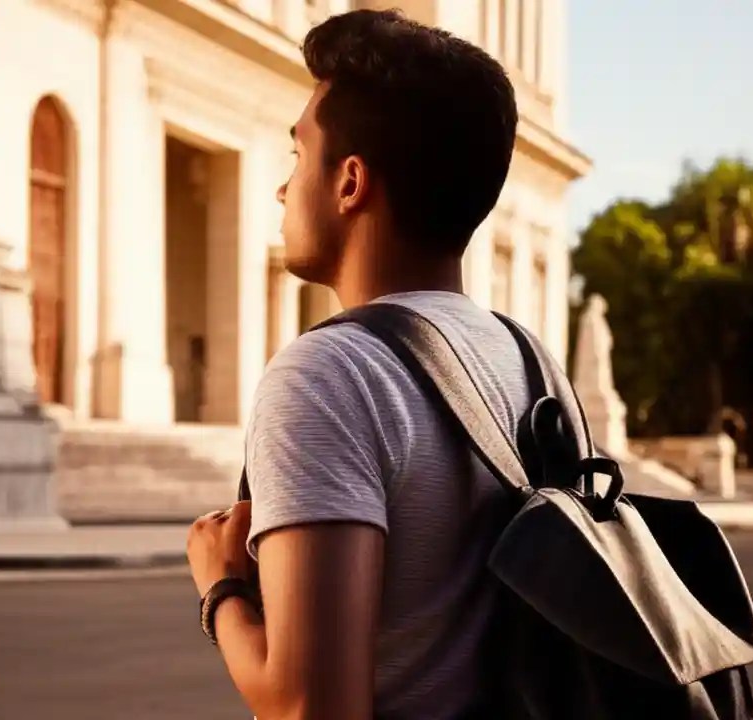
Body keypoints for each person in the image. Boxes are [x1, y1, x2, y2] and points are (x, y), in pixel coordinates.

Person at [186, 9, 527, 720]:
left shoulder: (329, 376)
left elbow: (313, 706)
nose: (283, 190)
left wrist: (218, 587)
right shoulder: (527, 360)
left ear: (348, 182)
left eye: (297, 155)